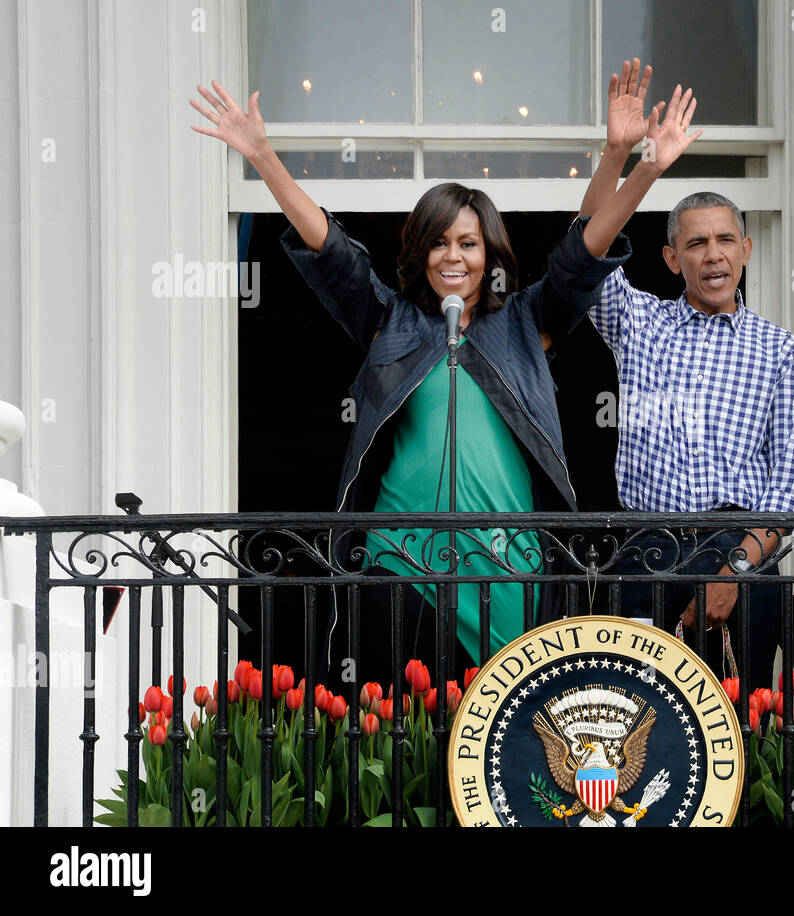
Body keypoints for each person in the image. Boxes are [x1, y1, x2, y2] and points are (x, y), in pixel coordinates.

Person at [190, 75, 700, 688]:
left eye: (467, 243)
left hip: (507, 571)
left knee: (499, 734)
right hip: (399, 566)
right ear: (420, 254)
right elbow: (332, 252)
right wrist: (262, 157)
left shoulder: (526, 321)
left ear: (490, 254)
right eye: (438, 243)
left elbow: (583, 253)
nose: (452, 256)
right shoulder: (392, 322)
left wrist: (637, 164)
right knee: (399, 733)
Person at [575, 63, 794, 688]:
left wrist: (735, 571)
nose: (713, 255)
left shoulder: (781, 351)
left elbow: (789, 489)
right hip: (646, 553)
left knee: (740, 720)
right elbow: (586, 250)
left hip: (741, 553)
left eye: (725, 240)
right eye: (697, 243)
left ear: (746, 251)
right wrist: (620, 155)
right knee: (634, 717)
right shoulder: (638, 321)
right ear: (670, 257)